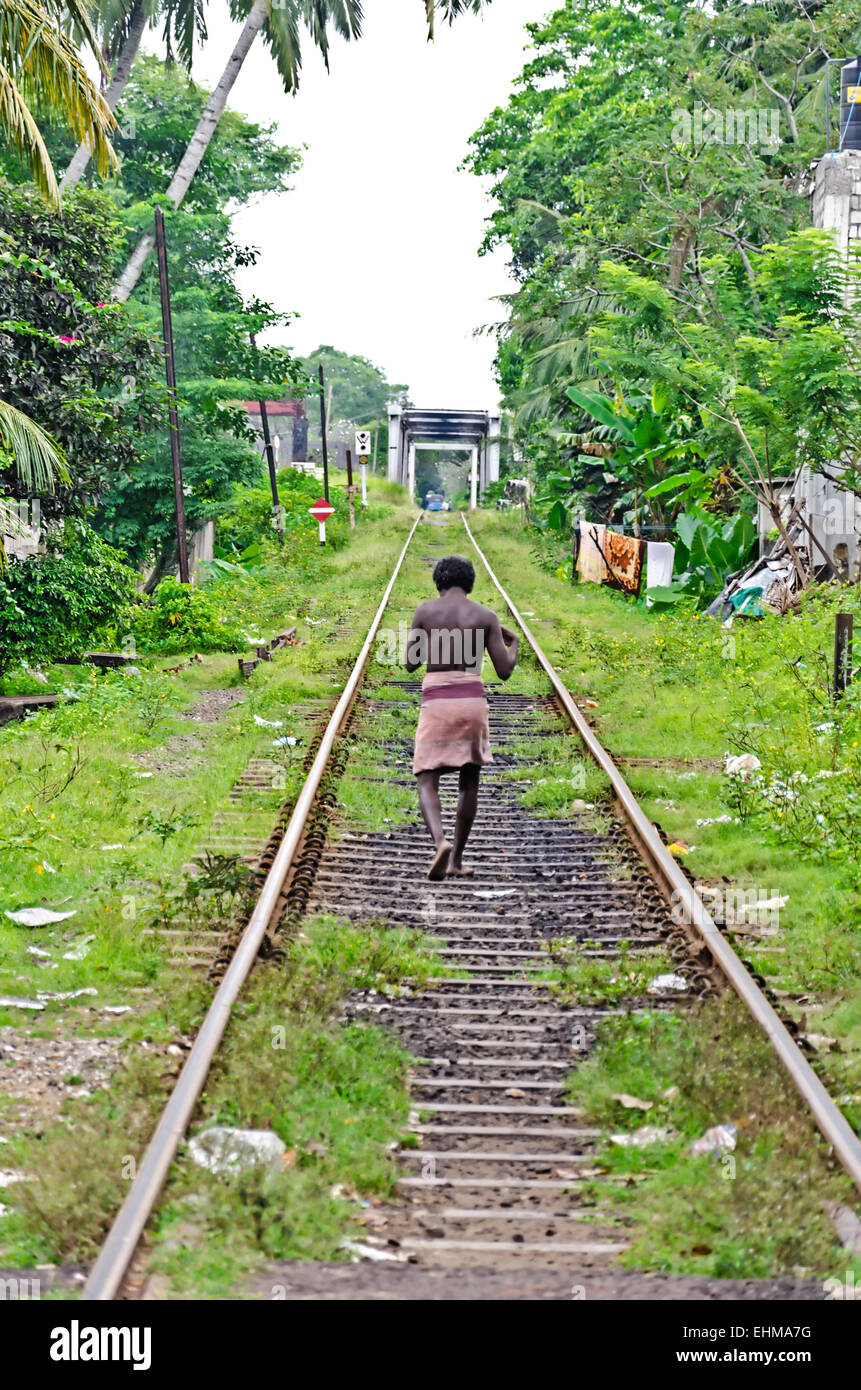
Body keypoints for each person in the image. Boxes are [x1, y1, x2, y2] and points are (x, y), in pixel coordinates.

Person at [405, 554, 518, 879]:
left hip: (438, 701)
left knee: (427, 778)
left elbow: (411, 663)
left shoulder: (425, 611)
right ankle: (455, 860)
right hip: (472, 702)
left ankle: (439, 841)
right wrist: (515, 643)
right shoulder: (485, 615)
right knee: (469, 783)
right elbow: (504, 671)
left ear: (438, 582)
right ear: (469, 583)